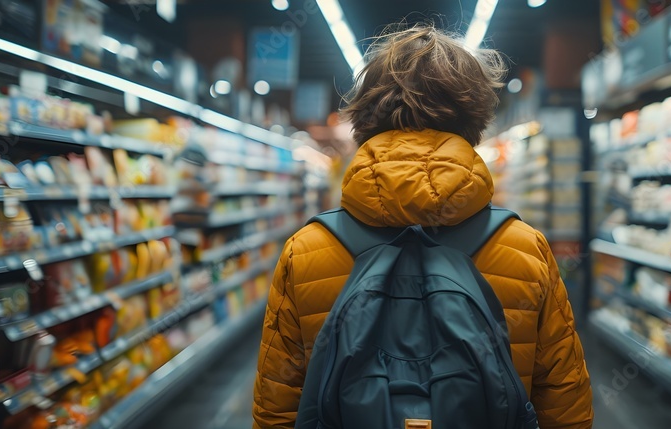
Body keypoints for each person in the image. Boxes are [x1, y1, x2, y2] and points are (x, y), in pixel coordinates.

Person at [252, 25, 593, 429]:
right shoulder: (524, 248)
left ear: (363, 119)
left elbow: (277, 410)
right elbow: (565, 406)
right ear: (474, 120)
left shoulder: (306, 250)